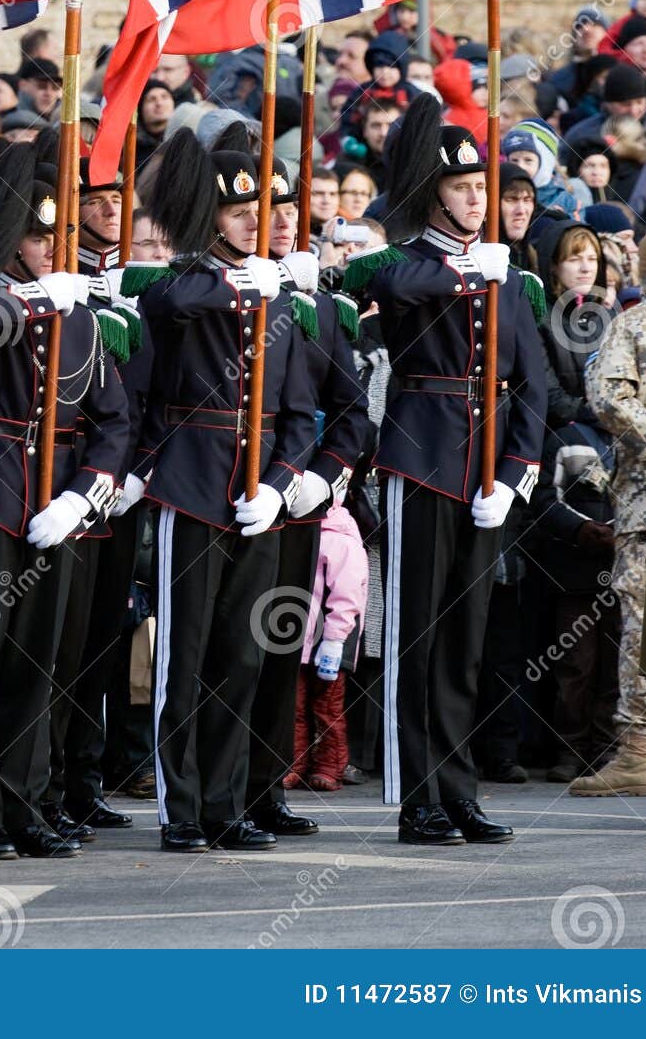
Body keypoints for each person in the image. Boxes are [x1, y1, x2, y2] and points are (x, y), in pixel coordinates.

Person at [342, 94, 546, 846]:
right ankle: (415, 794)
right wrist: (469, 277)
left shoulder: (511, 277)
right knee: (417, 635)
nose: (474, 198)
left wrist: (518, 471)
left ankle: (457, 788)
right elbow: (385, 286)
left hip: (485, 471)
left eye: (481, 188)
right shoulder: (407, 261)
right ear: (433, 193)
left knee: (466, 640)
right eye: (461, 187)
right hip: (421, 456)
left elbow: (529, 384)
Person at [0, 140, 129, 859]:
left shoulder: (77, 312)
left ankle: (24, 803)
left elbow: (113, 419)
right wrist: (28, 299)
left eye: (59, 236)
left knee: (39, 663)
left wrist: (83, 498)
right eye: (38, 235)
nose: (51, 249)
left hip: (60, 506)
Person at [127, 129, 316, 852]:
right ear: (210, 218)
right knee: (185, 655)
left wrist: (278, 484)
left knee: (240, 656)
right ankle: (181, 809)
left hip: (256, 497)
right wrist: (237, 281)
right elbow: (170, 302)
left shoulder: (277, 299)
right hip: (189, 486)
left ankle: (223, 802)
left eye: (259, 210)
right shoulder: (183, 284)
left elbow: (299, 414)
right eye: (237, 211)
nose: (252, 221)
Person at [245, 154, 368, 835]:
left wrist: (317, 479)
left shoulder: (319, 306)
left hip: (297, 505)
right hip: (225, 500)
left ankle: (265, 790)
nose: (287, 218)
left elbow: (350, 411)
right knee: (226, 653)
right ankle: (212, 790)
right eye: (271, 208)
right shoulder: (210, 293)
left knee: (277, 652)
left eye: (292, 207)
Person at [43, 159, 136, 838]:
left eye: (116, 200)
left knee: (101, 642)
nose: (109, 211)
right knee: (56, 646)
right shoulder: (55, 284)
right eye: (96, 201)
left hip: (120, 487)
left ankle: (85, 778)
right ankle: (46, 785)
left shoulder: (143, 278)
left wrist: (142, 473)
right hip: (60, 485)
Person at [574, 227, 646, 797]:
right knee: (644, 628)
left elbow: (607, 396)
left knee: (643, 630)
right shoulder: (636, 323)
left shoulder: (635, 321)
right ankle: (636, 754)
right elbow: (610, 397)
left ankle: (636, 751)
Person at [530, 221, 619, 783]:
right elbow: (547, 398)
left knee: (616, 652)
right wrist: (593, 411)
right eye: (572, 258)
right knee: (573, 654)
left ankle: (612, 748)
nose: (584, 266)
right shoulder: (543, 325)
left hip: (614, 469)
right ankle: (569, 748)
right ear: (554, 267)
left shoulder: (615, 322)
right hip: (564, 469)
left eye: (591, 257)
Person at [292, 495, 369, 789]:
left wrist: (335, 639)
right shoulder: (296, 531)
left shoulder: (340, 539)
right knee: (293, 705)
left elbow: (348, 596)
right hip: (297, 635)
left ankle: (329, 765)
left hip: (332, 637)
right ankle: (293, 763)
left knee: (327, 705)